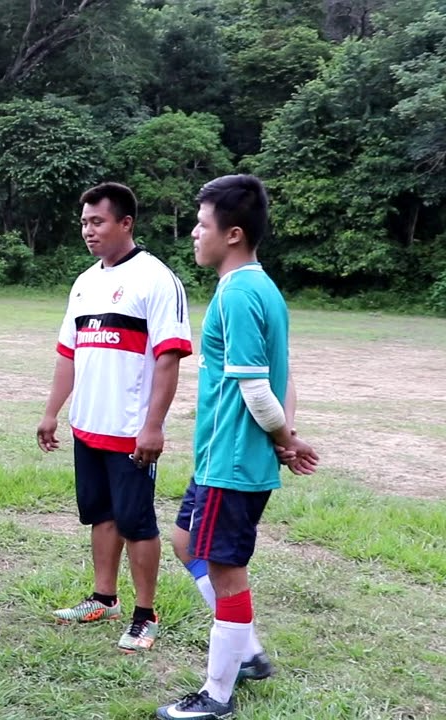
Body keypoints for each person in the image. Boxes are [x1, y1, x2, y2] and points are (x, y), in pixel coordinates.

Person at [157, 175, 319, 720]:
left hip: (231, 461)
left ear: (232, 234)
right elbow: (286, 375)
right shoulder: (261, 287)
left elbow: (257, 387)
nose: (195, 236)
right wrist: (286, 435)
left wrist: (283, 439)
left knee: (227, 571)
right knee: (186, 543)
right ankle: (245, 652)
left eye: (202, 226)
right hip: (218, 459)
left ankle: (216, 695)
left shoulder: (241, 291)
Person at [36, 182, 192, 652]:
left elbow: (169, 359)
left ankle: (146, 614)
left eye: (97, 221)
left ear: (126, 223)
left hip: (130, 433)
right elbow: (69, 354)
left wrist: (153, 425)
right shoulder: (84, 282)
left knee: (136, 521)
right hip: (89, 427)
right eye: (84, 222)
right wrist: (51, 412)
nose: (88, 230)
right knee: (100, 515)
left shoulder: (157, 280)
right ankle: (104, 598)